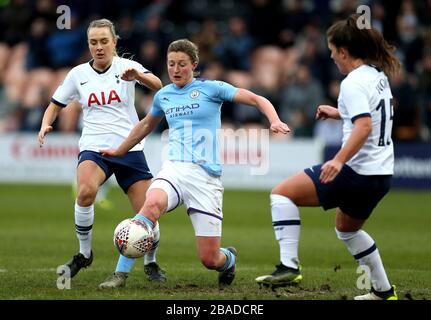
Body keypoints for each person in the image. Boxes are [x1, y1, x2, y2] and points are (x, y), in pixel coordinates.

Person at [99, 39, 290, 288]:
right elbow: (146, 125)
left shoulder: (212, 89)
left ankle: (228, 259)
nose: (176, 69)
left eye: (182, 64)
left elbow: (256, 99)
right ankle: (120, 274)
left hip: (205, 179)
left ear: (194, 65)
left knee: (210, 259)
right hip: (175, 169)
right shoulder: (164, 95)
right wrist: (120, 150)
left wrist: (273, 120)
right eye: (171, 64)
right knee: (150, 206)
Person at [255, 14, 401, 300]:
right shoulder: (377, 75)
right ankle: (383, 292)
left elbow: (364, 126)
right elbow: (372, 116)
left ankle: (288, 266)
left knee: (281, 194)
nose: (332, 57)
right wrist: (339, 113)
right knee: (347, 231)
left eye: (333, 51)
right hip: (381, 175)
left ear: (344, 52)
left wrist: (338, 160)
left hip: (356, 171)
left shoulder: (353, 82)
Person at [38, 19, 166, 283]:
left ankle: (151, 262)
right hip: (94, 147)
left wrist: (139, 76)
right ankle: (84, 254)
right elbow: (55, 103)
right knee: (85, 192)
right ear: (88, 44)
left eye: (104, 41)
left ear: (114, 42)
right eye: (93, 42)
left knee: (148, 211)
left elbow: (158, 85)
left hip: (129, 147)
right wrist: (44, 124)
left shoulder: (126, 66)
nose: (99, 47)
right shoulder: (77, 74)